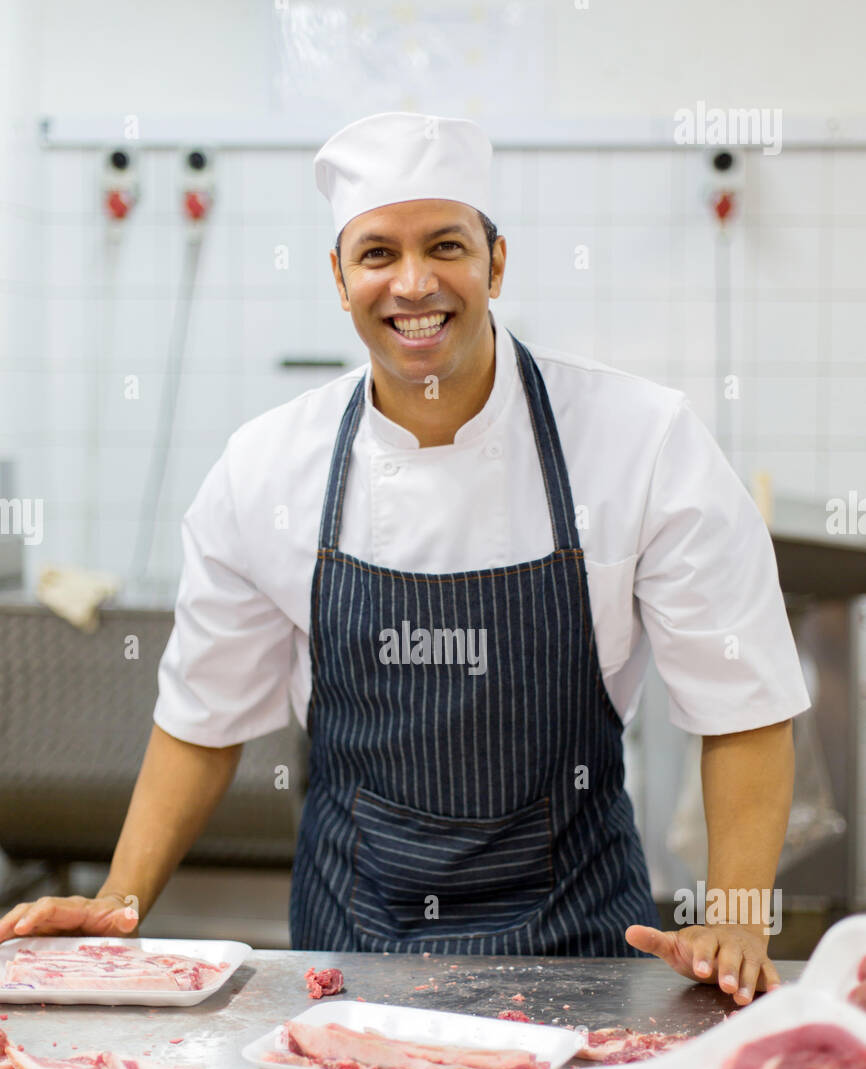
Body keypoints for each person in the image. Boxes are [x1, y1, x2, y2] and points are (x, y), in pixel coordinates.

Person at [1, 112, 810, 1005]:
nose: (414, 283)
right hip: (355, 955)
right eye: (378, 252)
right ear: (340, 278)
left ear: (496, 263)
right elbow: (202, 716)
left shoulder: (643, 442)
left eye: (447, 246)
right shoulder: (267, 468)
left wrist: (739, 914)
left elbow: (742, 699)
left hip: (584, 947)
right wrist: (121, 900)